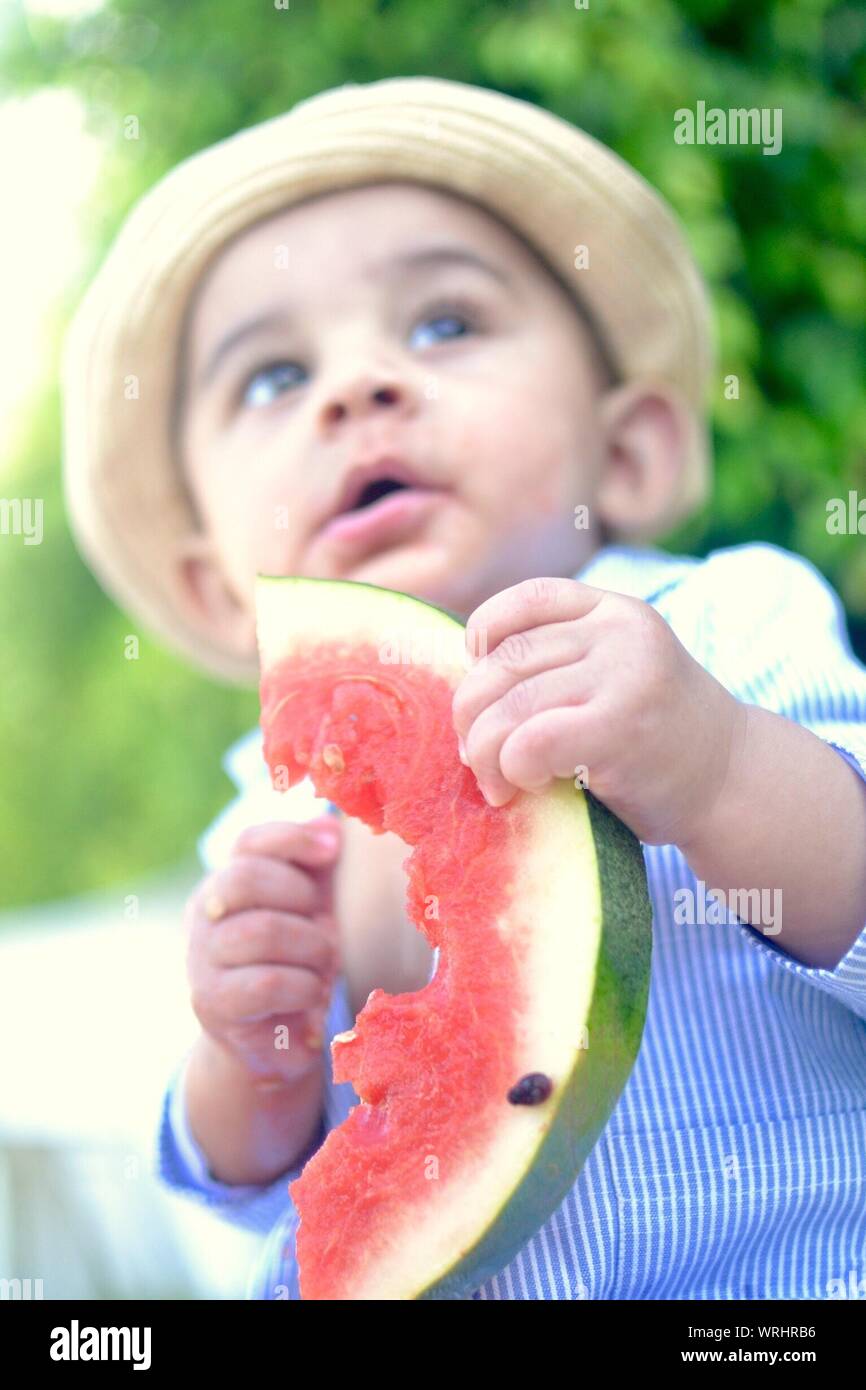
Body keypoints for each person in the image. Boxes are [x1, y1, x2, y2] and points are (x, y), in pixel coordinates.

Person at [61, 76, 866, 1301]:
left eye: (442, 325)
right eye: (272, 379)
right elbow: (240, 1193)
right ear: (218, 588)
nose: (357, 386)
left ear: (630, 449)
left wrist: (714, 763)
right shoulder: (268, 816)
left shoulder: (721, 623)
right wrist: (249, 1063)